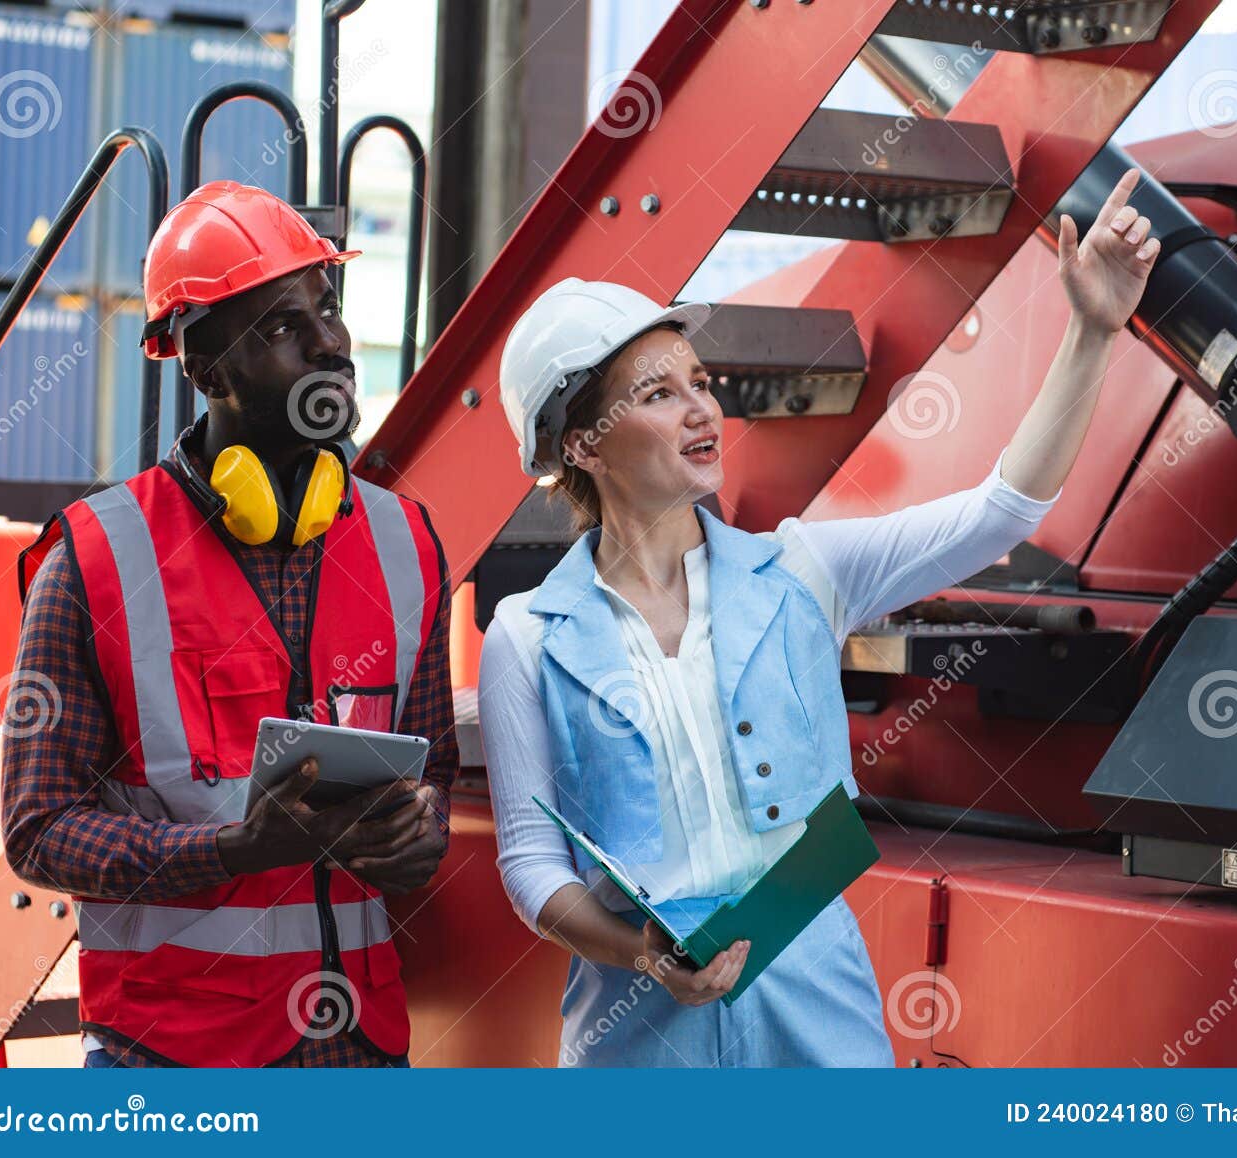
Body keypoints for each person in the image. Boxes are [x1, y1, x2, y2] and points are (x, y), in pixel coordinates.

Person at [479, 169, 1161, 1066]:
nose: (701, 411)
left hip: (819, 1033)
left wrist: (1092, 331)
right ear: (581, 444)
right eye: (657, 394)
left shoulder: (804, 570)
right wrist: (640, 953)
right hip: (637, 1045)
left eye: (700, 381)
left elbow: (1003, 512)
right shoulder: (526, 638)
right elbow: (531, 865)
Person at [1, 181, 457, 1068]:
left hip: (361, 1049)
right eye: (283, 328)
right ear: (206, 369)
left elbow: (428, 769)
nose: (330, 342)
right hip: (172, 1060)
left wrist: (418, 833)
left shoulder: (407, 541)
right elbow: (38, 827)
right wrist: (231, 849)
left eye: (326, 309)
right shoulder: (97, 559)